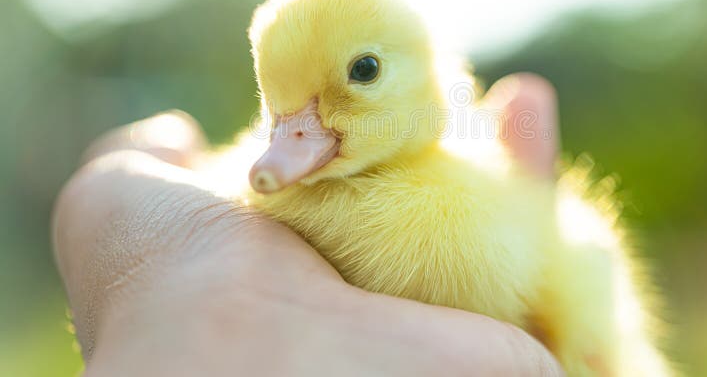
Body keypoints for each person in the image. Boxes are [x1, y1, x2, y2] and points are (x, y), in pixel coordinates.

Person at [53, 74, 565, 376]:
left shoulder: (497, 202)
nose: (291, 133)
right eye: (278, 104)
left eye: (363, 70)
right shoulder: (240, 196)